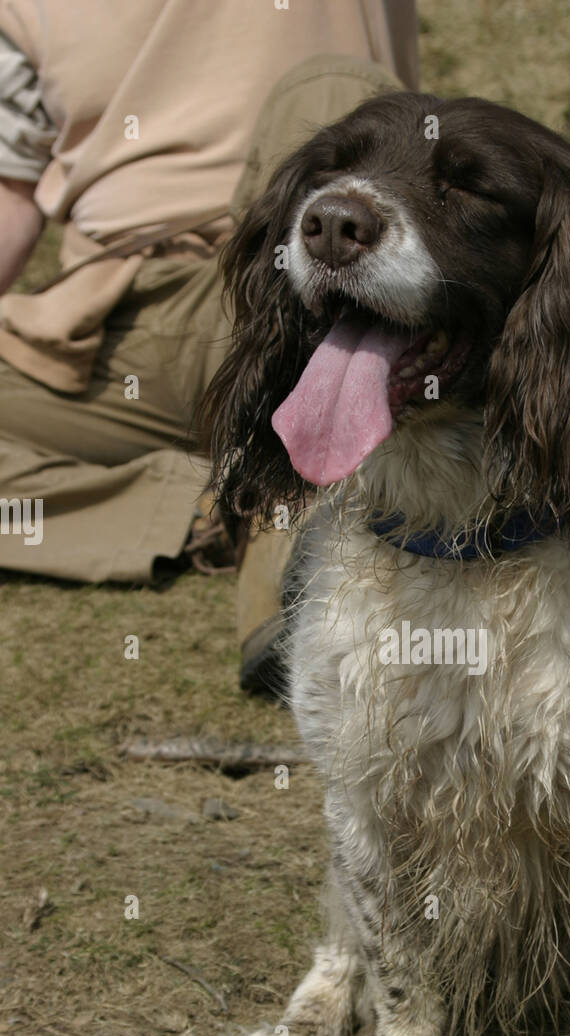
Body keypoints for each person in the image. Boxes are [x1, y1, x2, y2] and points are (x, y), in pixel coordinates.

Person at [0, 0, 417, 690]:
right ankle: (220, 507)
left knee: (331, 88)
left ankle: (303, 507)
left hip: (290, 280)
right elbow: (11, 192)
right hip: (115, 313)